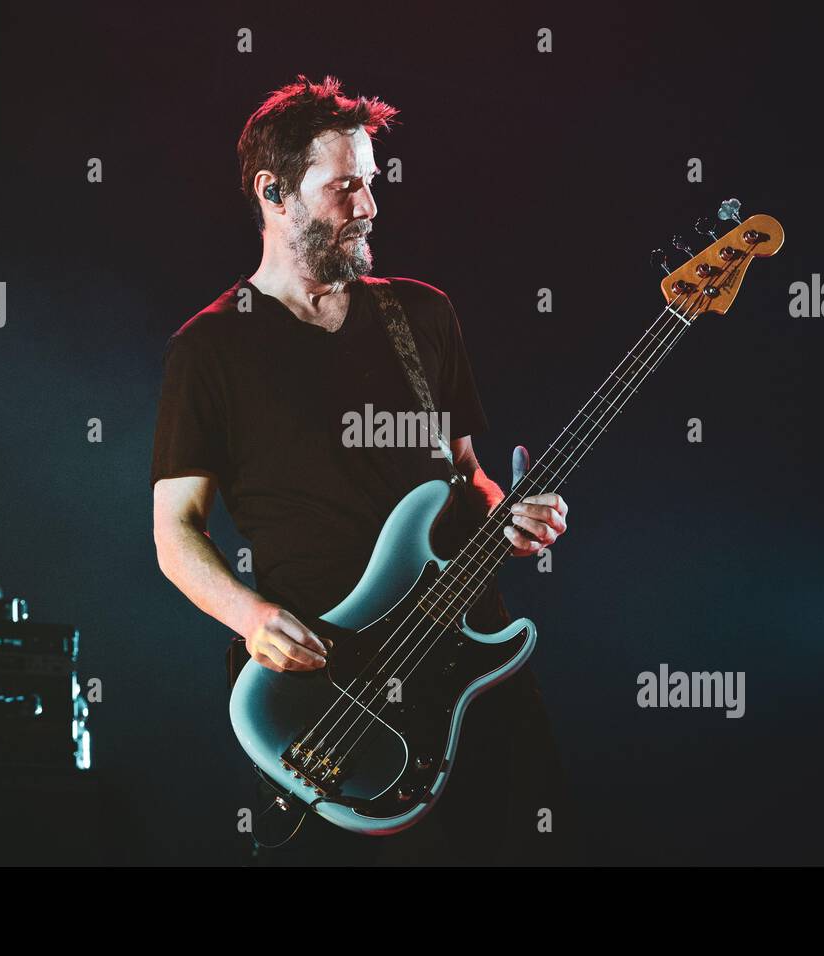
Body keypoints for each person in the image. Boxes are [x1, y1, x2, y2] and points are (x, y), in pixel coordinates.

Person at [151, 75, 574, 865]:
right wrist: (248, 619)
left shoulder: (422, 315)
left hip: (470, 659)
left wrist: (510, 517)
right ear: (274, 193)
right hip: (330, 690)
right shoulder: (209, 350)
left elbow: (469, 477)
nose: (370, 205)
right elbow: (175, 534)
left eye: (371, 183)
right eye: (344, 186)